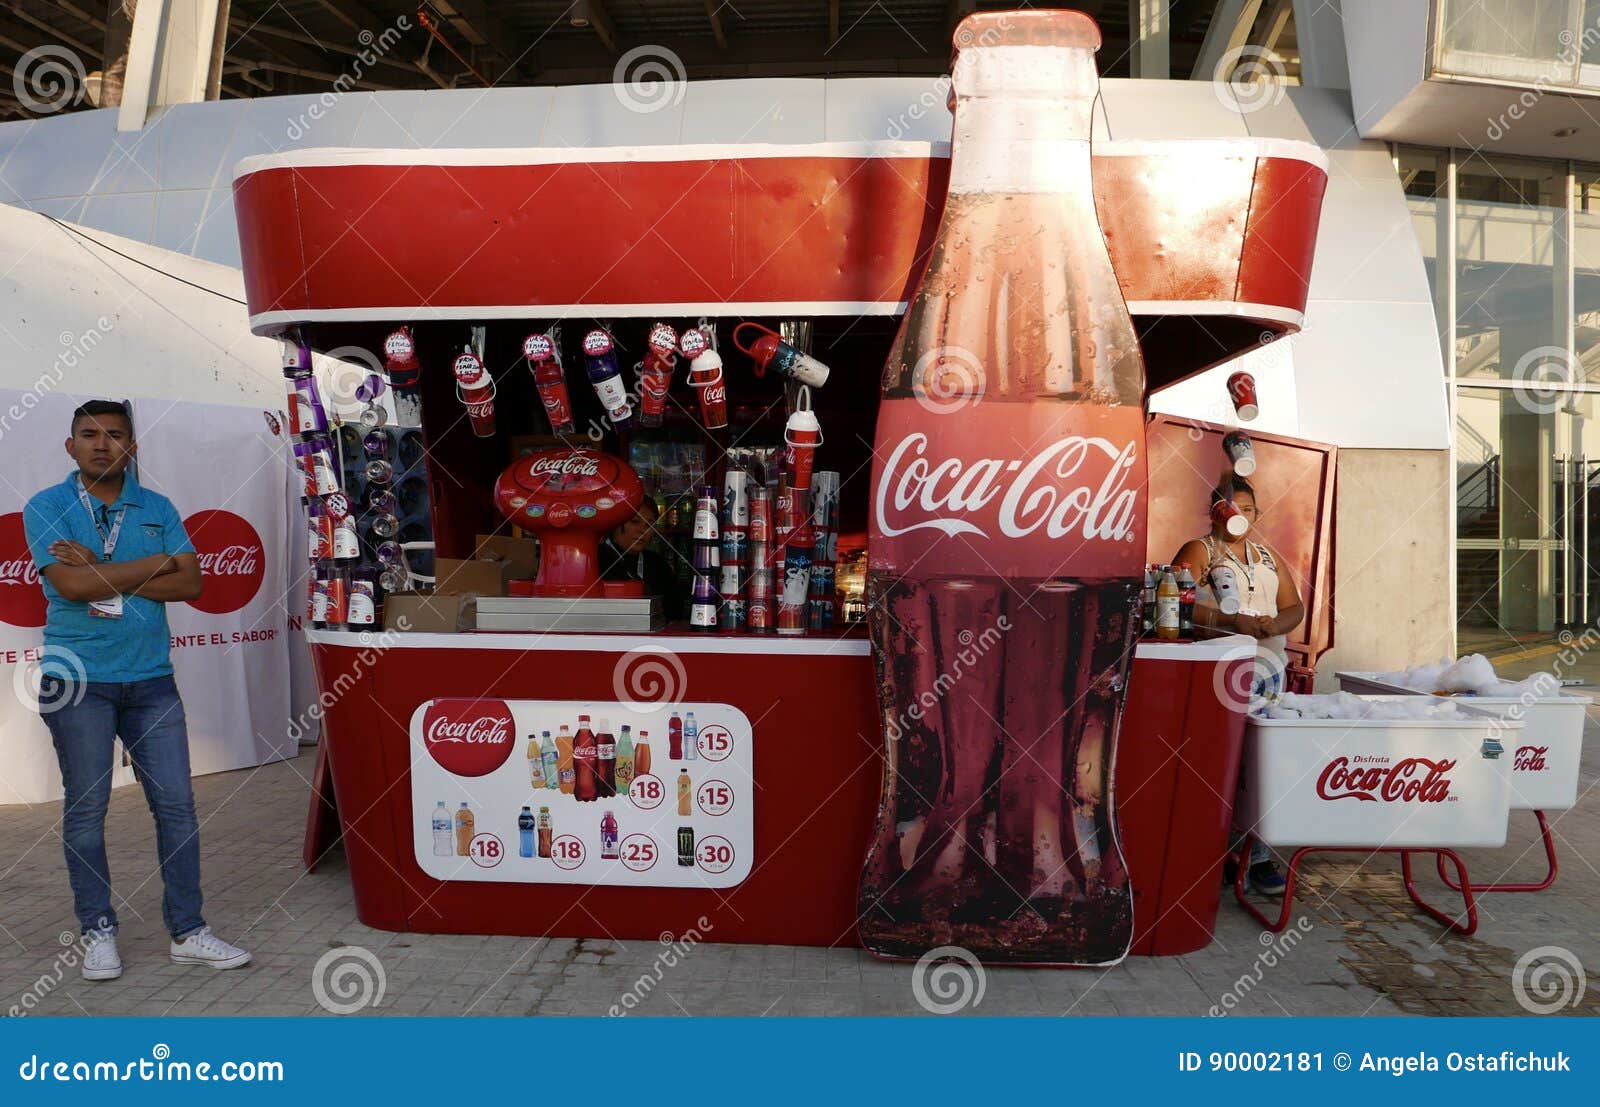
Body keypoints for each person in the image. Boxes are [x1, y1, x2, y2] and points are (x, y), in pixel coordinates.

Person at [22, 400, 253, 981]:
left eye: (115, 435)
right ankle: (98, 932)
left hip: (152, 681)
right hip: (78, 682)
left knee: (176, 807)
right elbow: (72, 588)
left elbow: (194, 582)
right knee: (86, 812)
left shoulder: (157, 506)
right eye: (90, 435)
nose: (102, 444)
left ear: (132, 448)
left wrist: (101, 569)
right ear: (70, 445)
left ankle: (188, 930)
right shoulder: (47, 507)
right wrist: (156, 564)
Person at [1172, 475, 1305, 897]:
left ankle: (1257, 857)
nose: (1238, 516)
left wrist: (1272, 625)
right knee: (1222, 765)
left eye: (1246, 510)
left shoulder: (1267, 556)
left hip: (1270, 671)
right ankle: (1214, 857)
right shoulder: (1200, 551)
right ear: (1213, 511)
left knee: (1264, 764)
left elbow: (1292, 606)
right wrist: (1233, 623)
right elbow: (1177, 606)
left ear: (1256, 514)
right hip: (1221, 674)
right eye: (1229, 507)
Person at [599, 496, 682, 620]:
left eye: (649, 525)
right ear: (617, 522)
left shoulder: (657, 564)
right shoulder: (596, 558)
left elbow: (675, 612)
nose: (643, 530)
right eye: (635, 521)